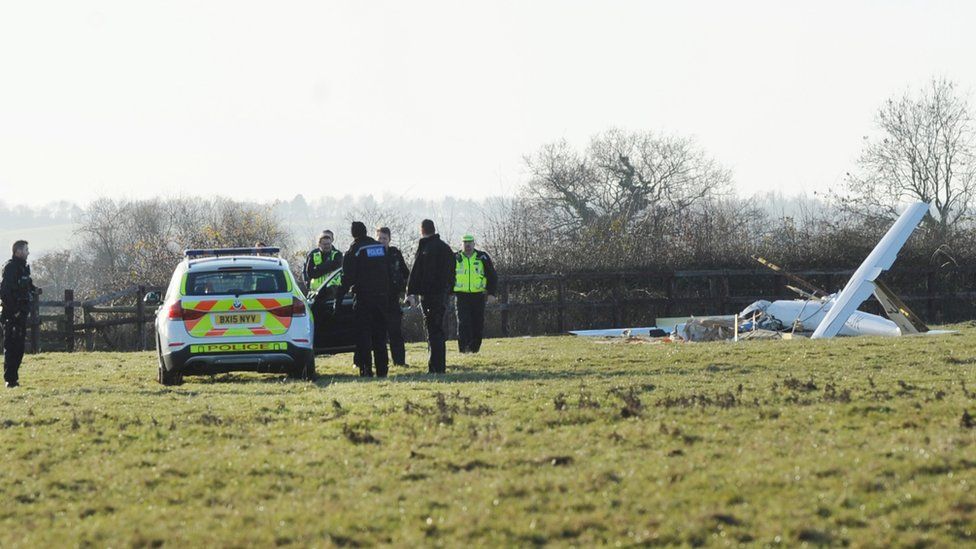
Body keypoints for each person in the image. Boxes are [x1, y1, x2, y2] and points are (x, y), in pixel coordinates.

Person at [337, 221, 392, 377]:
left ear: (353, 234)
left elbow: (347, 278)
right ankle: (383, 370)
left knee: (364, 336)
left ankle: (366, 370)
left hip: (364, 299)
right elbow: (389, 271)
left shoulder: (355, 250)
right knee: (380, 336)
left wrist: (338, 300)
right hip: (382, 298)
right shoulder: (380, 248)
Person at [406, 219, 455, 374]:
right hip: (442, 295)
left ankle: (435, 367)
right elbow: (453, 272)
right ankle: (439, 365)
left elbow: (416, 272)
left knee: (432, 331)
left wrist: (411, 292)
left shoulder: (424, 248)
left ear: (422, 230)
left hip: (429, 295)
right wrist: (449, 289)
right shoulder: (446, 248)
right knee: (439, 330)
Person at [1, 240, 38, 388]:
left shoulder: (23, 269)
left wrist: (35, 289)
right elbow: (4, 292)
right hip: (12, 315)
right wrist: (14, 311)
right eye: (26, 250)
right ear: (18, 252)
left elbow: (27, 284)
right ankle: (10, 380)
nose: (28, 252)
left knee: (20, 347)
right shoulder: (10, 268)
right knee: (12, 346)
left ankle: (14, 379)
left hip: (21, 314)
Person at [453, 234, 498, 353]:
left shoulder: (482, 257)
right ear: (461, 244)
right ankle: (464, 350)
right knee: (463, 323)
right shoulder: (455, 258)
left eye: (470, 242)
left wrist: (491, 293)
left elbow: (492, 276)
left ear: (474, 244)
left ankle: (474, 349)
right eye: (465, 243)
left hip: (478, 295)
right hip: (461, 295)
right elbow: (446, 276)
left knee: (477, 323)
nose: (467, 245)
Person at [376, 227, 410, 366]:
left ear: (389, 239)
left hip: (393, 298)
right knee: (379, 333)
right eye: (379, 238)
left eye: (384, 238)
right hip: (377, 299)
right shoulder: (372, 253)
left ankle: (400, 362)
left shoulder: (395, 253)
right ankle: (381, 362)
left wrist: (407, 291)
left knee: (395, 331)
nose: (382, 241)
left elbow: (405, 273)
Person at [303, 230, 342, 297]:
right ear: (319, 244)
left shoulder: (337, 254)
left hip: (333, 291)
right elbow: (310, 273)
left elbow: (337, 265)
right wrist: (328, 266)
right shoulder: (313, 255)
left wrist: (318, 268)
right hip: (316, 292)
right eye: (324, 244)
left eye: (328, 244)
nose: (327, 246)